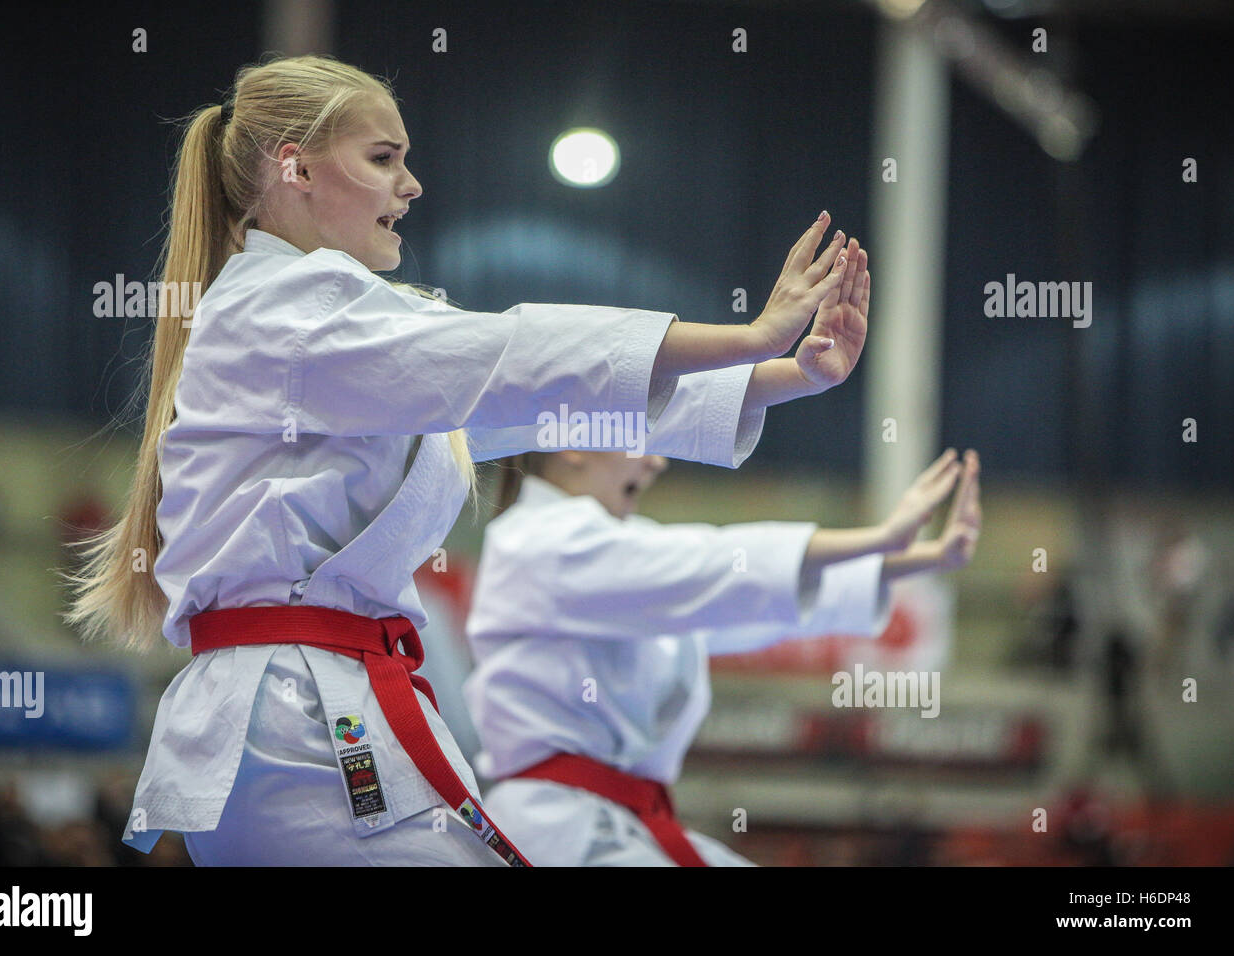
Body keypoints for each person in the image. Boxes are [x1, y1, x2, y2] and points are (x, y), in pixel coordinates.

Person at [60, 53, 870, 866]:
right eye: (383, 158)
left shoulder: (330, 327)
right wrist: (750, 338)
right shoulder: (289, 311)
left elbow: (539, 401)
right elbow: (515, 355)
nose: (410, 186)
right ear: (294, 166)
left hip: (305, 720)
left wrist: (785, 376)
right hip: (301, 723)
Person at [463, 448, 981, 866]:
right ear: (574, 445)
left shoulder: (624, 549)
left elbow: (747, 603)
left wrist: (916, 559)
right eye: (640, 441)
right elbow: (713, 565)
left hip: (613, 823)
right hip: (555, 834)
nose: (656, 462)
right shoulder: (537, 545)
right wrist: (877, 540)